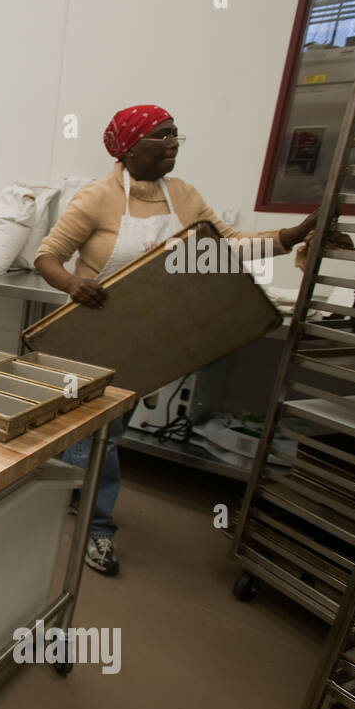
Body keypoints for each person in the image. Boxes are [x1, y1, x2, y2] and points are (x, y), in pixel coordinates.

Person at [33, 103, 316, 575]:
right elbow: (48, 256)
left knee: (108, 432)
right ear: (128, 146)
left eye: (175, 135)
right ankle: (70, 514)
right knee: (77, 429)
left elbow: (226, 246)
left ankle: (90, 520)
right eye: (161, 135)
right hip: (88, 333)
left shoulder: (182, 197)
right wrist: (71, 284)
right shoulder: (97, 198)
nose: (172, 144)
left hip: (144, 337)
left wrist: (290, 235)